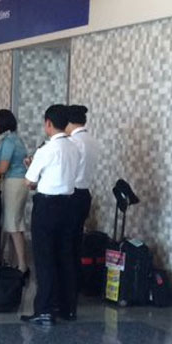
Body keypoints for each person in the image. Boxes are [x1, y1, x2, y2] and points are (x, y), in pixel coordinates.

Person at [21, 105, 81, 325]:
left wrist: (33, 169)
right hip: (69, 205)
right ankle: (67, 308)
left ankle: (45, 309)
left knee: (44, 258)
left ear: (48, 123)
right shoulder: (75, 148)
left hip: (47, 207)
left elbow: (29, 181)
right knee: (65, 256)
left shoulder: (46, 150)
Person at [0, 109, 30, 275]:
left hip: (14, 182)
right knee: (16, 223)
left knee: (12, 225)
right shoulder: (15, 139)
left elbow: (3, 168)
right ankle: (16, 263)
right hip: (19, 182)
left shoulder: (8, 141)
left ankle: (22, 266)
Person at [66, 104, 99, 318]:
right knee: (76, 242)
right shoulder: (92, 140)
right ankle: (76, 285)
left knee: (65, 244)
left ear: (68, 123)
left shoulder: (72, 143)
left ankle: (67, 287)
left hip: (70, 195)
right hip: (85, 194)